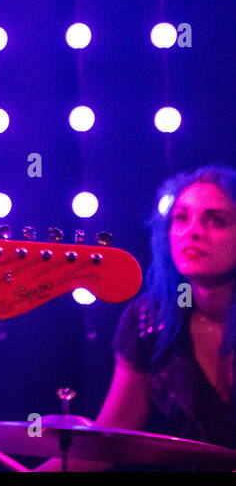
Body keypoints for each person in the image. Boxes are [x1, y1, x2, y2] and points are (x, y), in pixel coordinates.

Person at [36, 165, 236, 470]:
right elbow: (108, 444)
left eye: (216, 221)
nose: (192, 231)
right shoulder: (148, 320)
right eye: (181, 218)